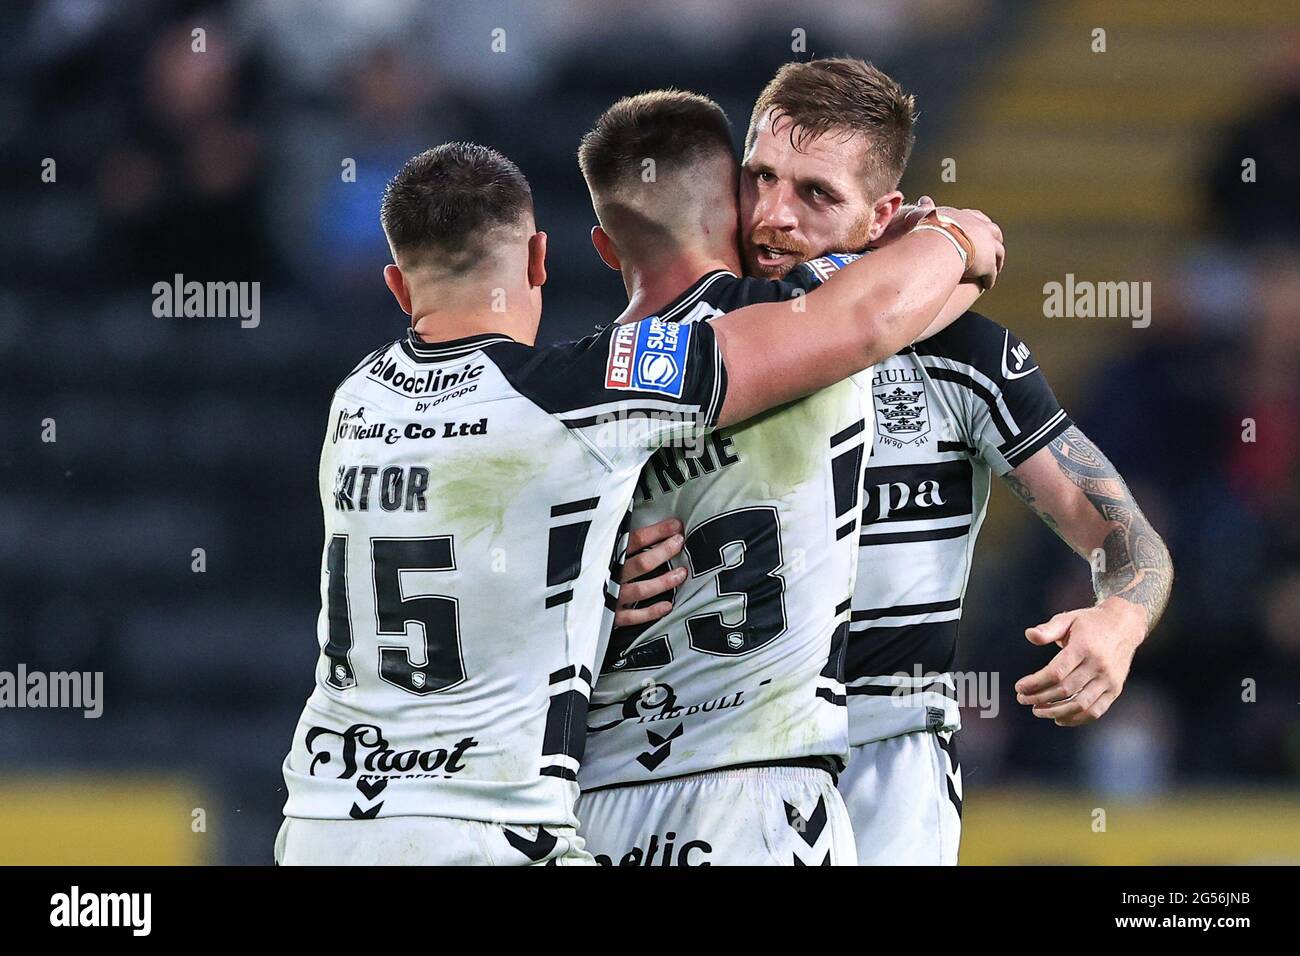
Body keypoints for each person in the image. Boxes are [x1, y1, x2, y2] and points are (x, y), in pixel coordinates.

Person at [275, 140, 1004, 864]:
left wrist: (590, 575)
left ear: (398, 289)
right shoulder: (581, 390)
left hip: (320, 819)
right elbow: (845, 329)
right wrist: (952, 239)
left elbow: (468, 537)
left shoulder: (356, 403)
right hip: (485, 830)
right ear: (538, 259)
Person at [624, 57, 1172, 865]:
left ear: (881, 215)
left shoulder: (965, 360)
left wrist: (1121, 618)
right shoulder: (690, 340)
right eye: (760, 177)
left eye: (816, 193)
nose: (772, 215)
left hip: (888, 756)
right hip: (703, 753)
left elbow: (1120, 532)